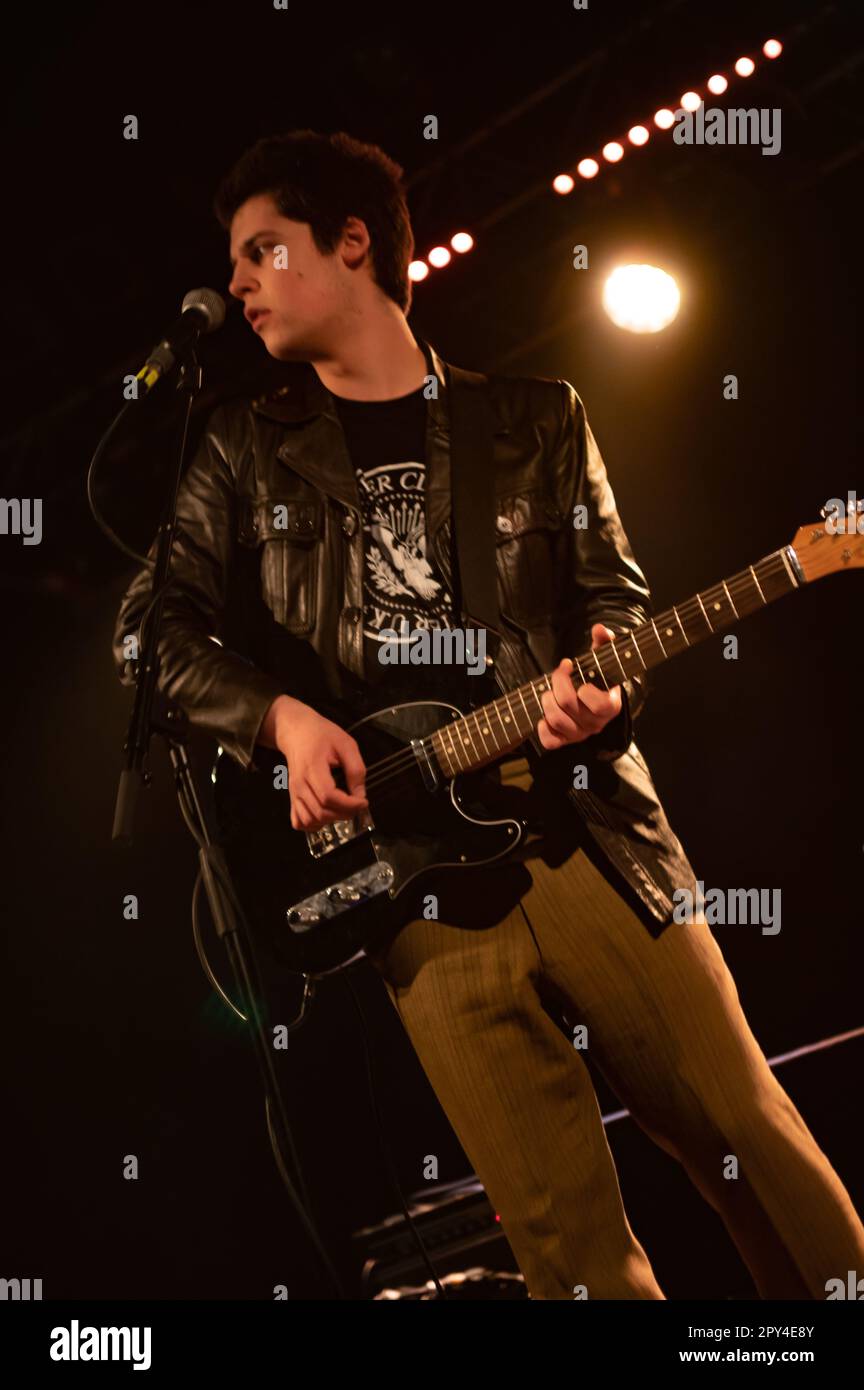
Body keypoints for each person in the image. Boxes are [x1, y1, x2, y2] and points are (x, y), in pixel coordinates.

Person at [113, 128, 864, 1299]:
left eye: (265, 249)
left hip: (589, 837)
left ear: (352, 244)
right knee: (562, 1240)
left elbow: (614, 602)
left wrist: (603, 683)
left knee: (746, 1135)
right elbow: (145, 635)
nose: (240, 282)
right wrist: (284, 722)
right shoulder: (237, 451)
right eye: (236, 258)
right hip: (414, 897)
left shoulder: (537, 415)